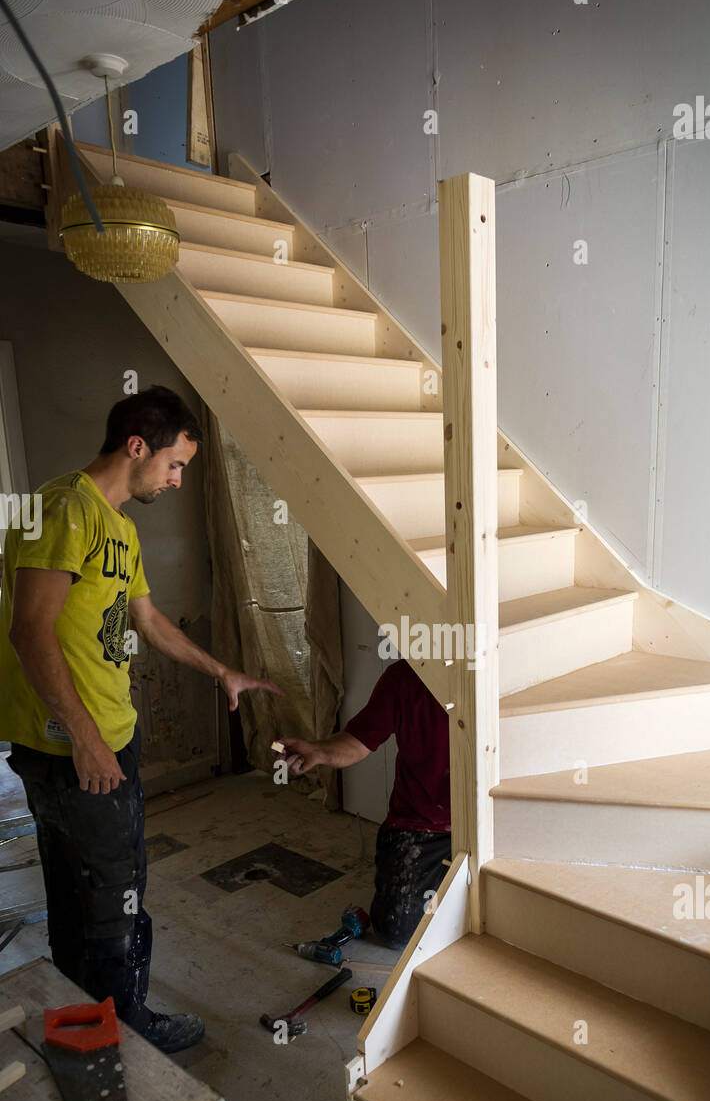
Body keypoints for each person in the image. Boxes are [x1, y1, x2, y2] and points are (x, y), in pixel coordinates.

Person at [0, 386, 282, 1052]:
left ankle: (81, 1021)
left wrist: (222, 672)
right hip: (73, 748)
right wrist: (87, 740)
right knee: (110, 902)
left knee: (84, 892)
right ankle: (122, 1032)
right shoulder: (63, 508)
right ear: (137, 446)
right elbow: (30, 632)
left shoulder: (120, 528)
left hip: (103, 740)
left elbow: (147, 620)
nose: (179, 479)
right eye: (175, 464)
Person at [275, 658, 450, 950]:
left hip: (484, 818)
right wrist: (319, 751)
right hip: (419, 825)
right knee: (398, 933)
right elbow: (358, 741)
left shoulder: (497, 675)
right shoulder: (404, 676)